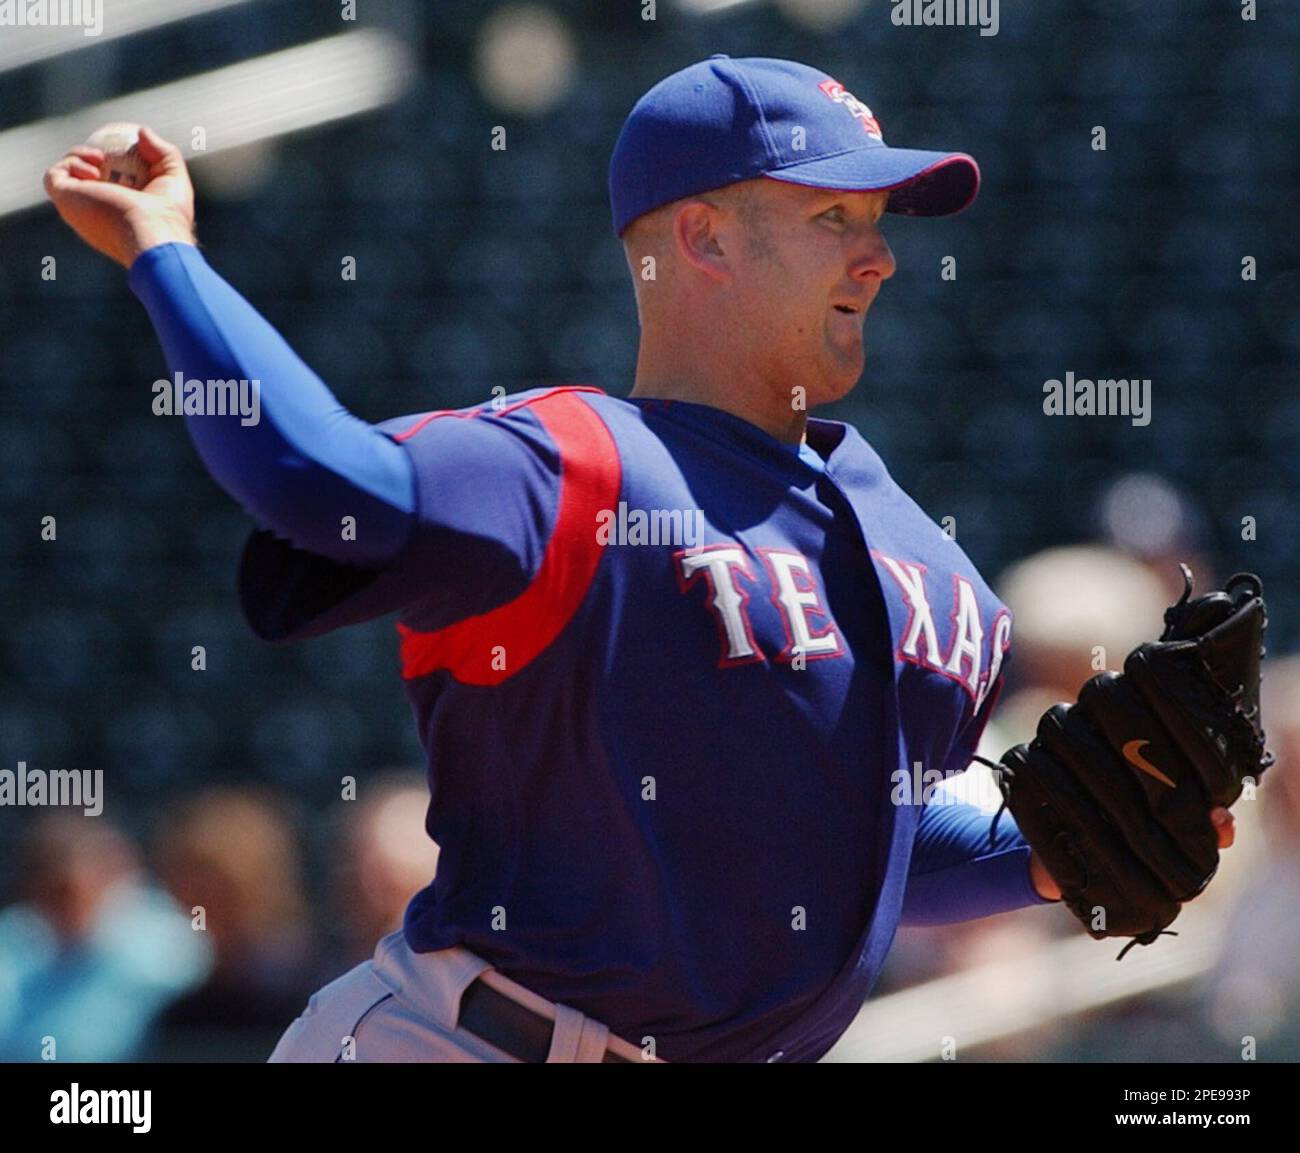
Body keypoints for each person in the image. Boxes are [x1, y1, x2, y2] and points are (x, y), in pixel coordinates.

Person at [43, 54, 1235, 1063]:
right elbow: (313, 480)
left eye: (878, 226)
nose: (875, 258)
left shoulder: (939, 575)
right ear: (699, 238)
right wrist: (168, 252)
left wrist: (1041, 856)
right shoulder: (563, 466)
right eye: (832, 218)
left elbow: (839, 846)